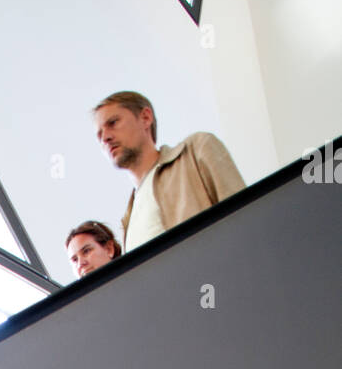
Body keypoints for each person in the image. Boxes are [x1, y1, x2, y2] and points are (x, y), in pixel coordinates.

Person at [92, 91, 245, 251]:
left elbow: (246, 217)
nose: (105, 138)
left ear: (145, 118)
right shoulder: (128, 221)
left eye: (113, 123)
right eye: (99, 135)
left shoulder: (196, 150)